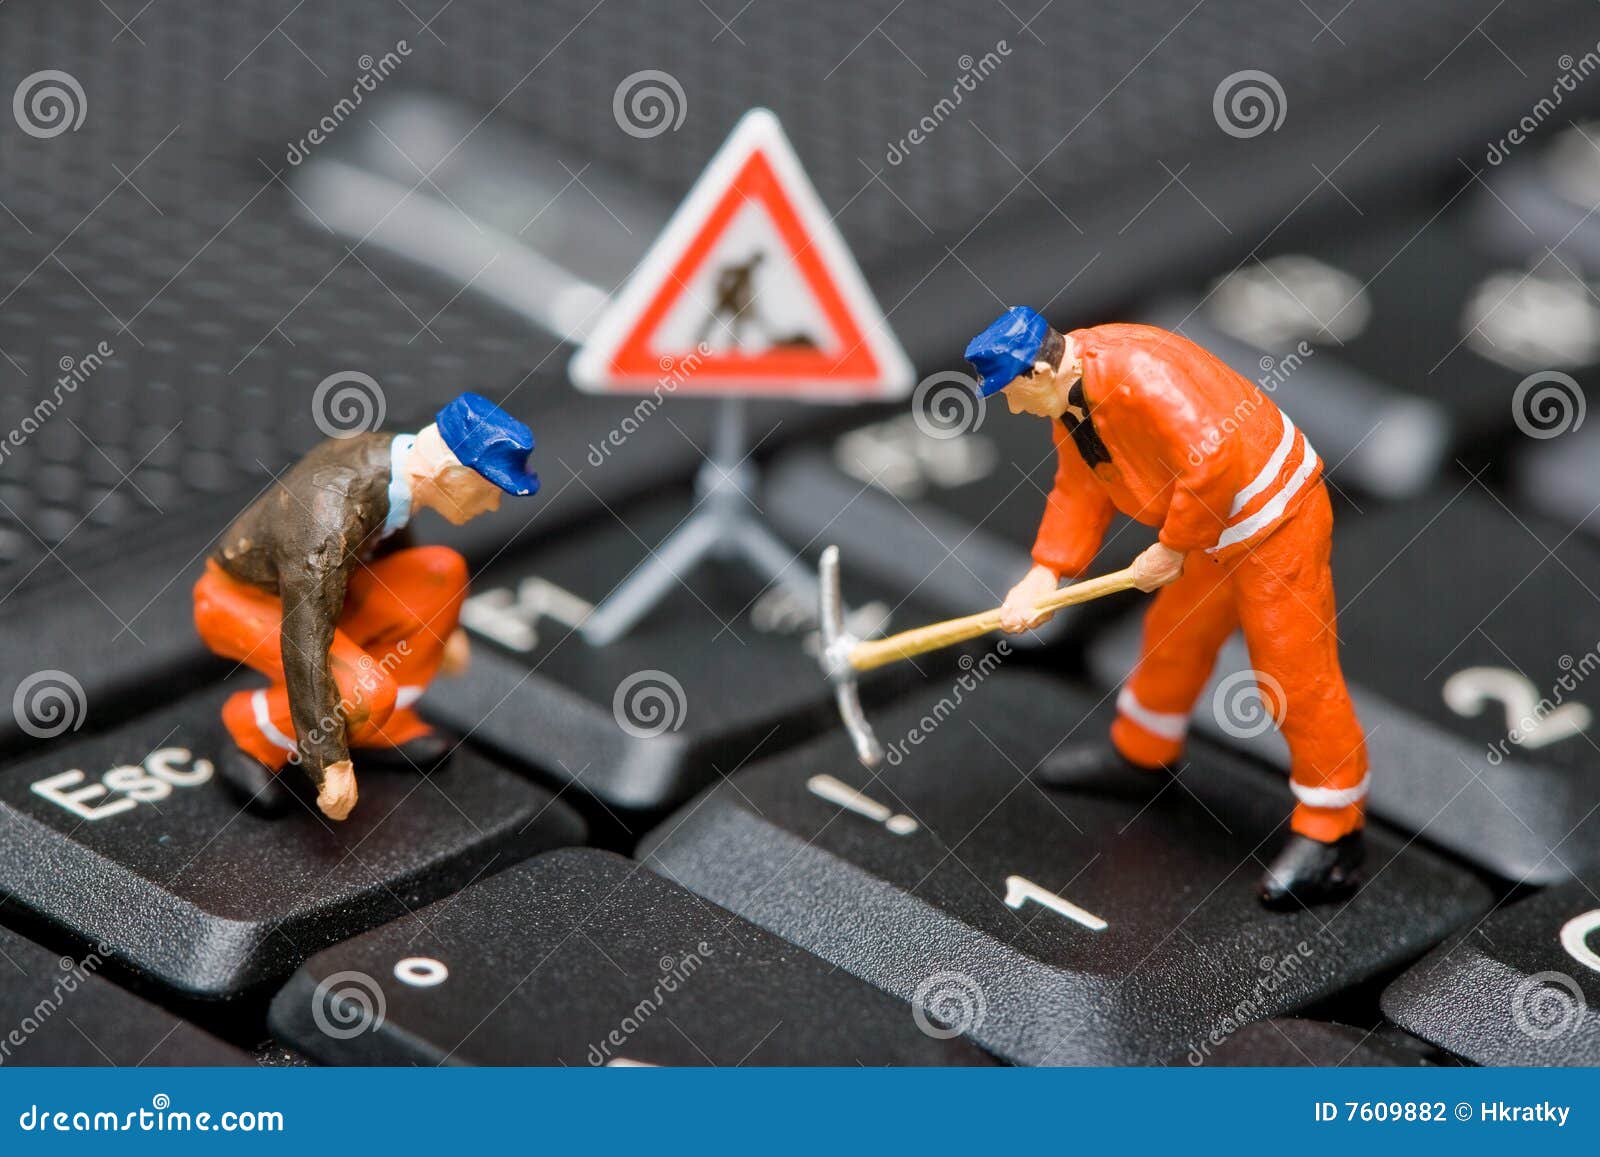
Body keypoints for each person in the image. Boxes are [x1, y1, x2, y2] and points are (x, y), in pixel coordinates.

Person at [965, 307, 1368, 908]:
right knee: (1171, 637)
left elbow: (1214, 461)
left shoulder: (1142, 377)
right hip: (1205, 530)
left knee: (1292, 679)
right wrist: (1045, 572)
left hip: (1272, 521)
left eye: (1012, 395)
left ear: (1037, 373)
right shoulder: (1071, 403)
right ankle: (1142, 754)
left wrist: (1171, 547)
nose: (1014, 409)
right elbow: (1079, 488)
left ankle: (1334, 830)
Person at [193, 392, 538, 820]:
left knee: (441, 573)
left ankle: (378, 725)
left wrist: (441, 626)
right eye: (489, 488)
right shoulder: (331, 514)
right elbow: (304, 638)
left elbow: (384, 544)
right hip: (243, 602)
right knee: (363, 691)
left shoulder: (398, 470)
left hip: (333, 590)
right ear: (449, 473)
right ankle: (252, 730)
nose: (492, 504)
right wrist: (328, 760)